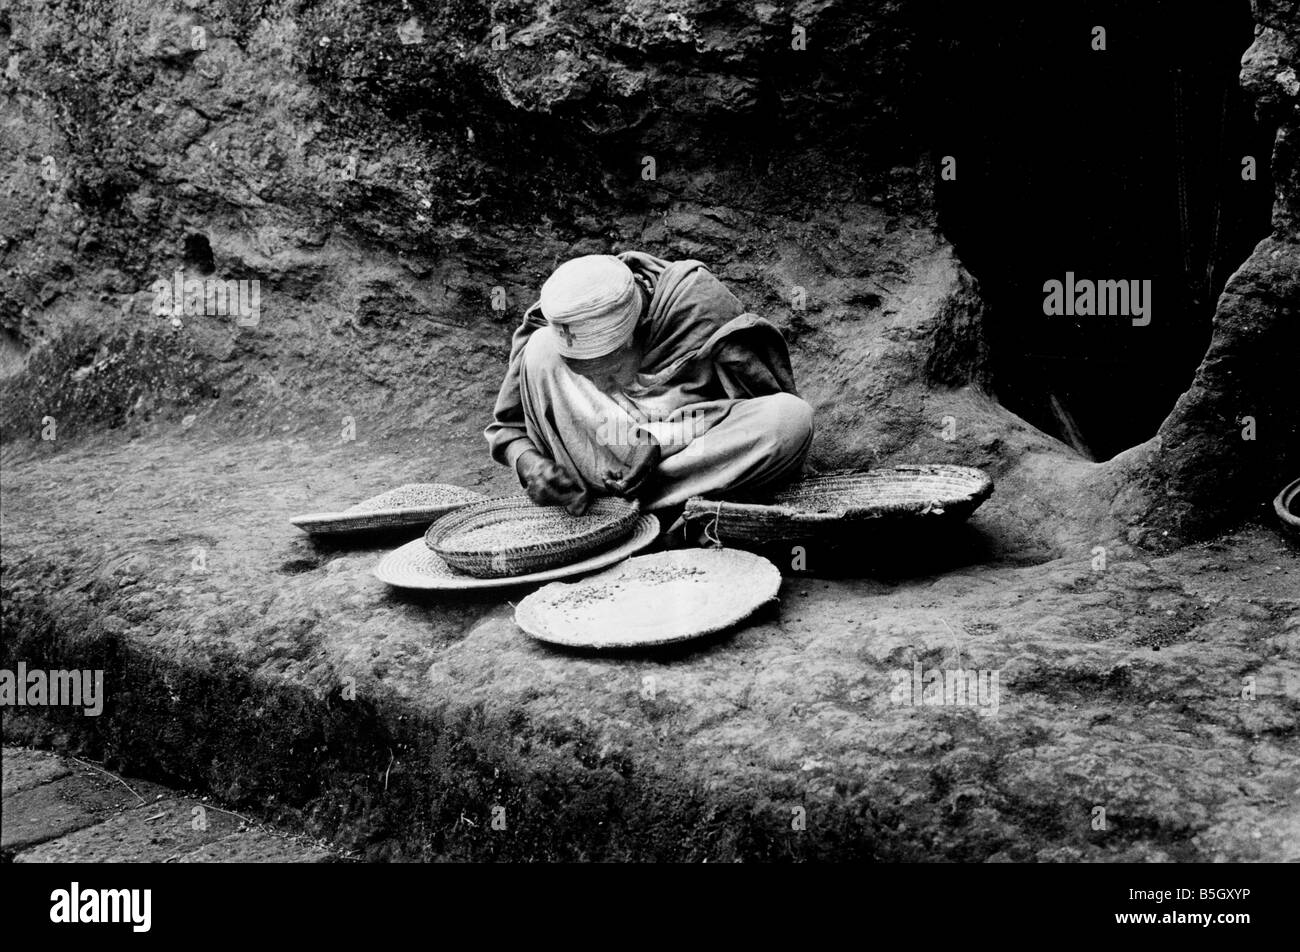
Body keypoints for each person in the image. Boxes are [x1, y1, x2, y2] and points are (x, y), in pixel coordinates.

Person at [485, 252, 814, 519]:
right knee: (540, 349)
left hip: (684, 454)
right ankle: (646, 506)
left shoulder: (697, 309)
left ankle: (626, 511)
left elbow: (752, 406)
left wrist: (659, 440)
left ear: (641, 330)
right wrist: (529, 464)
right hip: (607, 453)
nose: (601, 385)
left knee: (790, 420)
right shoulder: (560, 324)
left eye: (611, 371)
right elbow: (509, 430)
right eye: (586, 375)